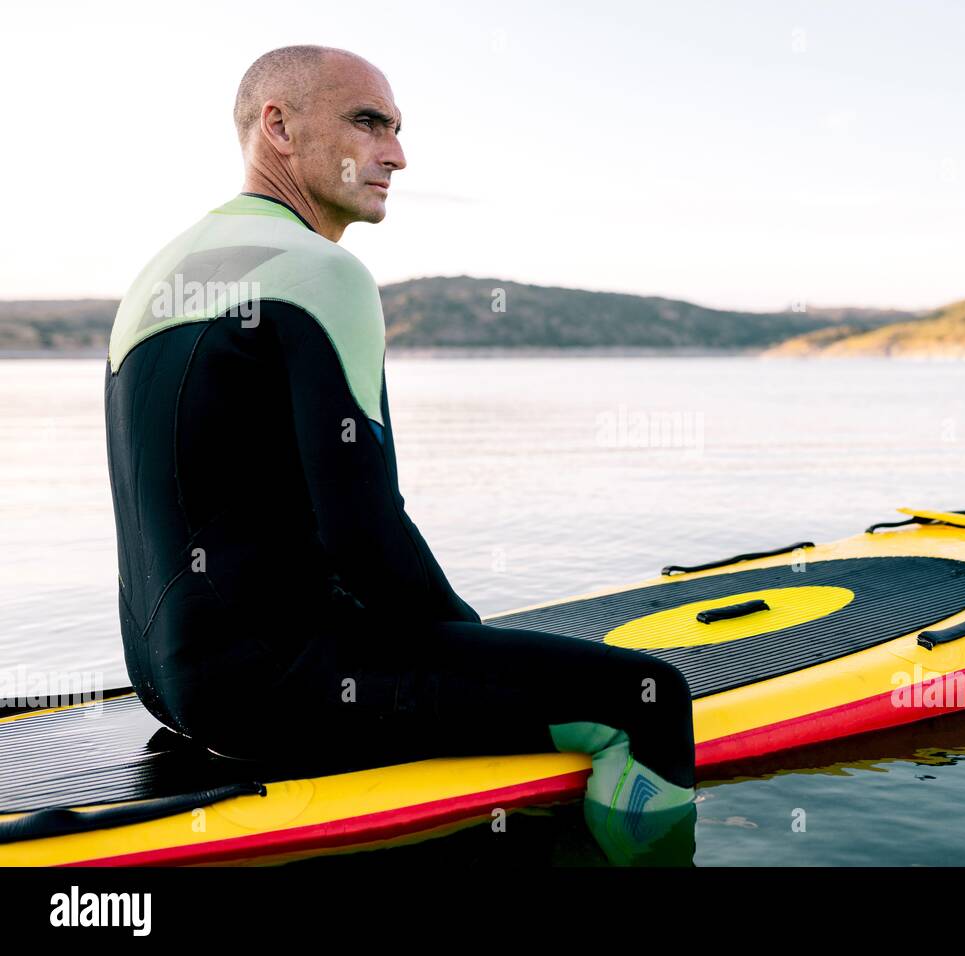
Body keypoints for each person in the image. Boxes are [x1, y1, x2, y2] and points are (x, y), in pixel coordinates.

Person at [103, 44, 696, 862]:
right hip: (271, 690)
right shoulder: (320, 272)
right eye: (367, 122)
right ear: (277, 126)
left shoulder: (157, 274)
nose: (397, 154)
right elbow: (369, 539)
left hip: (163, 678)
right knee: (652, 696)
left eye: (397, 129)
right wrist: (474, 652)